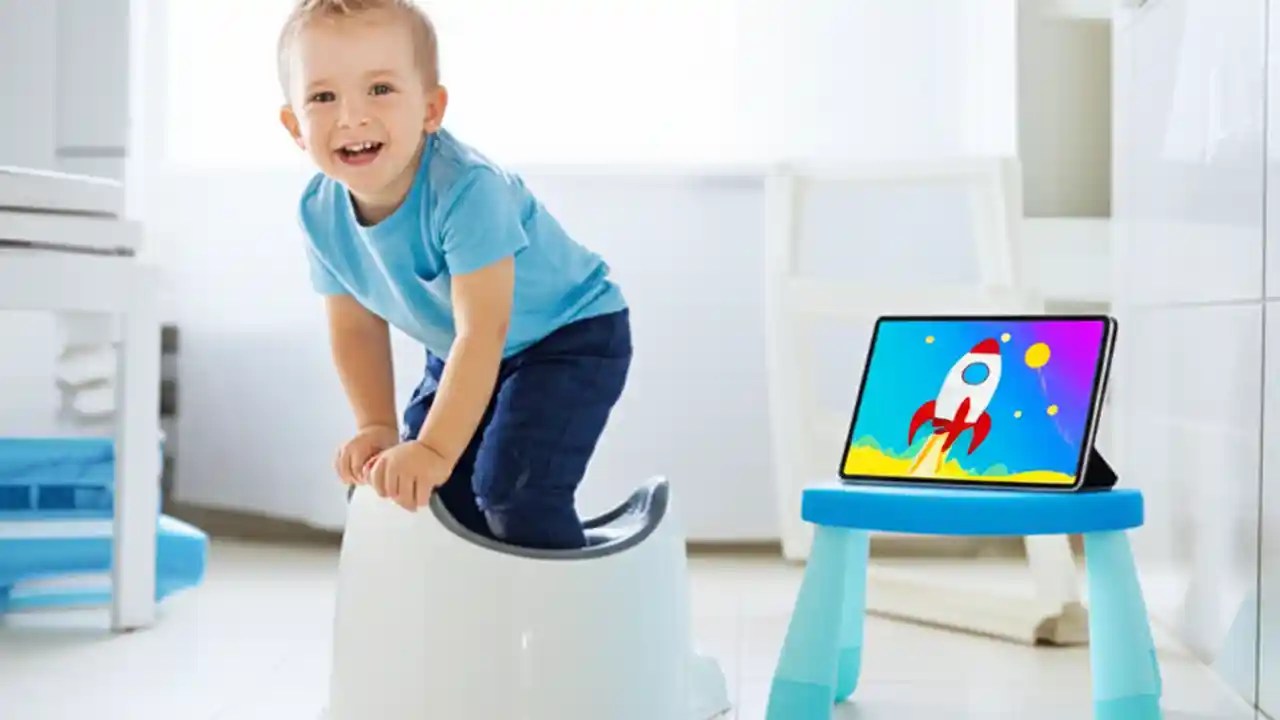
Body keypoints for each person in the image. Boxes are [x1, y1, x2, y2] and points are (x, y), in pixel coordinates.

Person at [276, 0, 631, 550]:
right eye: (324, 97)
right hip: (460, 350)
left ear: (431, 108)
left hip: (566, 337)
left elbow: (482, 332)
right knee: (431, 498)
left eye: (381, 90)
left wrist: (436, 450)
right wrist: (376, 425)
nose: (351, 117)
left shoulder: (467, 190)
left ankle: (567, 617)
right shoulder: (318, 211)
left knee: (514, 493)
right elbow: (354, 328)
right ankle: (480, 619)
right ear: (295, 125)